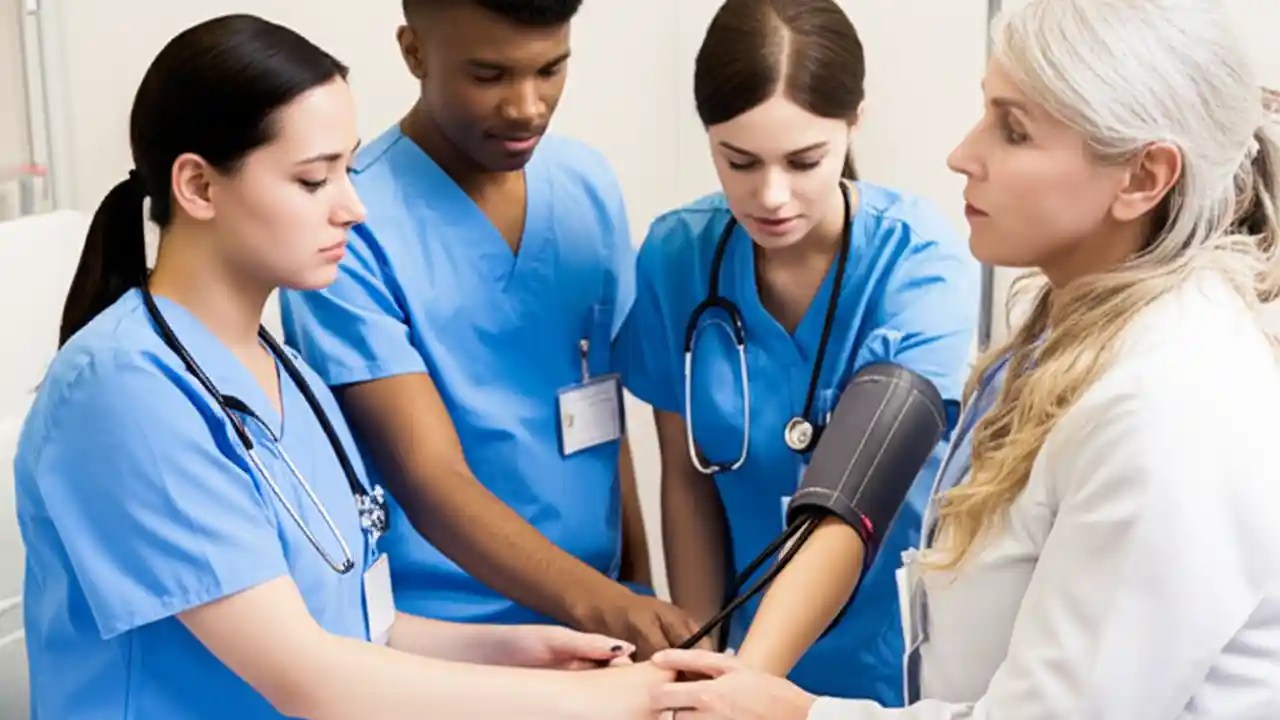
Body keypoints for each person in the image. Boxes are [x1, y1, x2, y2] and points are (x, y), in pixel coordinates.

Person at [14, 14, 669, 719]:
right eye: (313, 180)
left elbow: (362, 623)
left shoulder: (289, 378)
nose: (353, 209)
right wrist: (591, 704)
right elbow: (309, 676)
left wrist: (527, 652)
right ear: (199, 187)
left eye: (348, 171)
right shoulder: (126, 393)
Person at [650, 0, 1280, 717]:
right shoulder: (1067, 336)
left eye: (1012, 130)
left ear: (1141, 178)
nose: (961, 155)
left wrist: (789, 712)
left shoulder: (1171, 408)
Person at [279, 0, 699, 659]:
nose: (527, 106)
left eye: (550, 69)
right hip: (443, 643)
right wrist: (611, 606)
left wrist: (635, 583)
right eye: (489, 76)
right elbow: (427, 475)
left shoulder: (586, 184)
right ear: (414, 52)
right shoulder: (349, 223)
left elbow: (602, 414)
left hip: (598, 631)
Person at [614, 0, 980, 704]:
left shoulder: (919, 264)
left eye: (805, 160)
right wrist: (703, 658)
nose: (771, 195)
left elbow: (854, 503)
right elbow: (688, 482)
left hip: (894, 664)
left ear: (854, 125)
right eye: (739, 161)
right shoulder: (676, 256)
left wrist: (740, 688)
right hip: (742, 651)